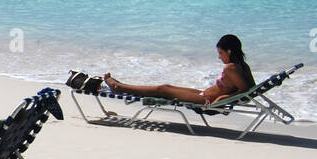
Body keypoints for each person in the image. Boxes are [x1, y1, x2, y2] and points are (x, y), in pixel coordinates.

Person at [103, 34, 256, 104]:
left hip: (205, 100)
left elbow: (245, 89)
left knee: (162, 90)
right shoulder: (243, 65)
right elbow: (252, 88)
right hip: (204, 94)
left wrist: (224, 98)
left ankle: (119, 87)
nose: (219, 57)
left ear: (229, 51)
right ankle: (121, 86)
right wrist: (229, 96)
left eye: (221, 53)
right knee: (166, 87)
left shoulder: (230, 68)